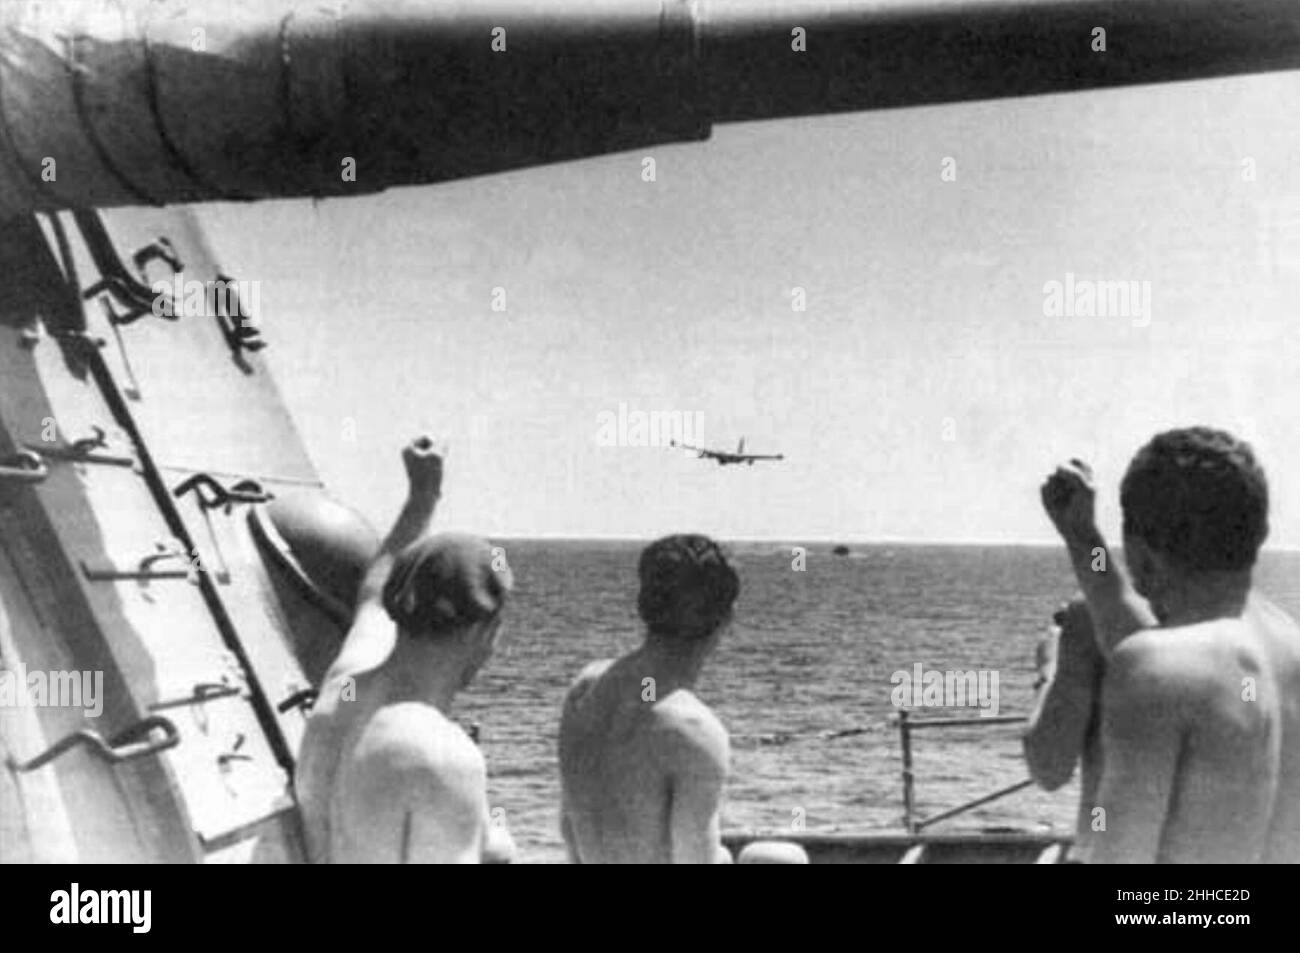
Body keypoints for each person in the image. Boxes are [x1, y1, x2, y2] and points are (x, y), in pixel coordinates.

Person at [1035, 427, 1300, 862]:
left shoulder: (1152, 666)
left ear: (1139, 555)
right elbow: (1124, 611)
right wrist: (1082, 538)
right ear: (1259, 530)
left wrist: (1050, 671)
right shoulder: (1285, 647)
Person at [295, 437, 515, 863]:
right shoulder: (441, 755)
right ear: (480, 631)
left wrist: (423, 496)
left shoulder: (345, 686)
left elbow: (375, 594)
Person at [558, 534, 739, 864]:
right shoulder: (693, 730)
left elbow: (569, 828)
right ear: (726, 619)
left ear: (645, 606)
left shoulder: (583, 690)